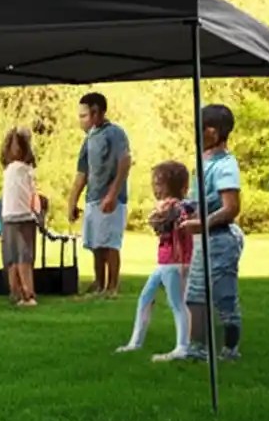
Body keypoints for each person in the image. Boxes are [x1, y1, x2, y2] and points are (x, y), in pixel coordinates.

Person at [179, 104, 245, 362]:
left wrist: (202, 223)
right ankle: (197, 348)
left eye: (201, 127)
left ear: (214, 132)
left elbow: (231, 208)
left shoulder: (225, 165)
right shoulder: (203, 160)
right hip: (202, 239)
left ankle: (230, 350)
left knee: (223, 295)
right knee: (195, 293)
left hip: (220, 240)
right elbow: (199, 199)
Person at [116, 161, 194, 361]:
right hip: (164, 262)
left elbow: (170, 220)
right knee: (145, 298)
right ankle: (135, 342)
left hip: (175, 263)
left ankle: (182, 347)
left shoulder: (178, 207)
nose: (155, 188)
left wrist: (163, 214)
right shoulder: (173, 206)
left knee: (177, 303)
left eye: (159, 184)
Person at [67, 92, 132, 297]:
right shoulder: (88, 140)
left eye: (84, 116)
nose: (81, 121)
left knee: (110, 243)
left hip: (111, 199)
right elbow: (82, 173)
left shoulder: (115, 133)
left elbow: (125, 161)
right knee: (96, 243)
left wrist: (112, 194)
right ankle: (99, 283)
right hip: (93, 198)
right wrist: (72, 201)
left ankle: (112, 286)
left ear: (96, 112)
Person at [0, 127, 41, 307]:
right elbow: (33, 195)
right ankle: (20, 292)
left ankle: (23, 292)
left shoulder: (19, 170)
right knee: (17, 258)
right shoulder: (20, 170)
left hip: (18, 216)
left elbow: (32, 195)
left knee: (18, 257)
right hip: (16, 216)